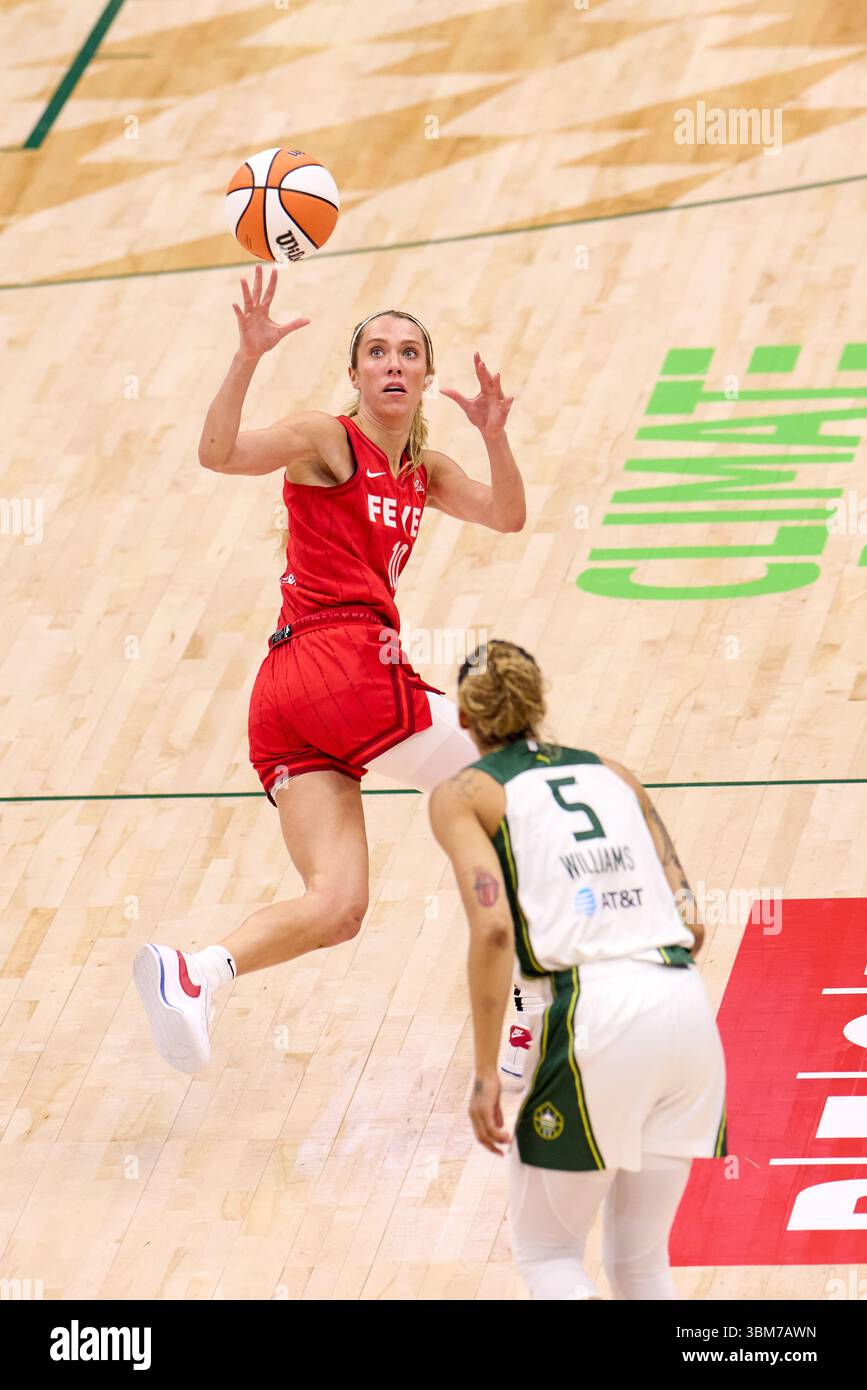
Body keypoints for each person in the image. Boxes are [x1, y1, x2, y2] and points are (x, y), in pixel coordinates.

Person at [133, 265, 533, 1076]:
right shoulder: (327, 439)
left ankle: (198, 972)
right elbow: (217, 454)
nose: (393, 363)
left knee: (339, 903)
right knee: (514, 781)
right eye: (377, 352)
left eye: (409, 352)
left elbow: (508, 516)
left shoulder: (428, 472)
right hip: (338, 658)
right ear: (353, 375)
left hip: (286, 698)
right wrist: (246, 357)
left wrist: (494, 431)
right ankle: (532, 1006)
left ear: (426, 375)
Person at [427, 640, 728, 1301]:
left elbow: (495, 929)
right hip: (682, 1003)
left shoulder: (463, 794)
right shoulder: (615, 774)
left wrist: (484, 1074)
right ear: (539, 703)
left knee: (547, 1255)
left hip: (592, 1013)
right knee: (641, 1264)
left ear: (462, 717)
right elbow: (693, 919)